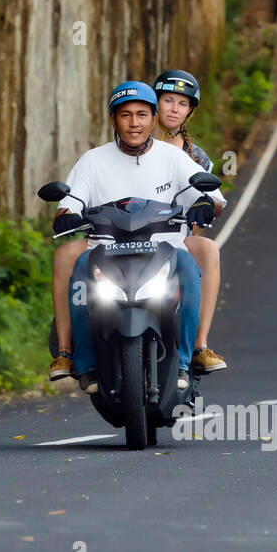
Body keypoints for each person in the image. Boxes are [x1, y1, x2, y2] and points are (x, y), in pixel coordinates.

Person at [47, 81, 226, 395]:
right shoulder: (93, 160)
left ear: (153, 119)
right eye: (125, 115)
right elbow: (70, 201)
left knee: (196, 257)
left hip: (165, 248)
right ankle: (71, 356)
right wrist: (68, 213)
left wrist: (203, 202)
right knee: (74, 265)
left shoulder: (172, 158)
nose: (134, 123)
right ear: (113, 119)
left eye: (142, 114)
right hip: (105, 248)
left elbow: (209, 196)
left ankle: (192, 354)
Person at [151, 69, 227, 374]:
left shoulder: (196, 156)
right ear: (154, 104)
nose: (173, 108)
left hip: (174, 237)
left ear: (190, 112)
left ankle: (199, 345)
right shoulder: (131, 141)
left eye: (182, 104)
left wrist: (208, 203)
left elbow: (217, 200)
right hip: (123, 236)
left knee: (208, 249)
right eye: (167, 100)